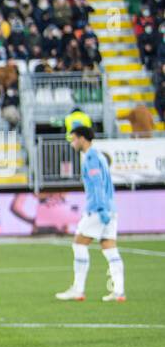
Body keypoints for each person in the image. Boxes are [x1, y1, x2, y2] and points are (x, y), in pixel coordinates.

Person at [57, 125, 125, 302]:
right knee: (110, 248)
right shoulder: (99, 155)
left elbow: (97, 185)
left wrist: (100, 208)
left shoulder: (91, 158)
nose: (72, 143)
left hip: (98, 209)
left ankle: (78, 290)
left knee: (78, 244)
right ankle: (119, 291)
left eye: (73, 139)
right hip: (110, 209)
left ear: (82, 138)